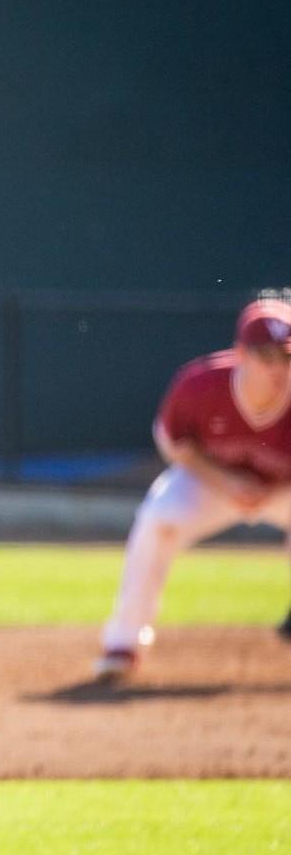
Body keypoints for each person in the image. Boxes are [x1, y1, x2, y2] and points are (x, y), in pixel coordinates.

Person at [93, 290, 291, 683]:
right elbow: (172, 443)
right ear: (240, 353)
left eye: (286, 356)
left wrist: (270, 494)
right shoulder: (200, 386)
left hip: (282, 489)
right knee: (158, 518)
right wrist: (225, 481)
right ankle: (123, 643)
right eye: (265, 355)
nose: (277, 367)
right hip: (211, 483)